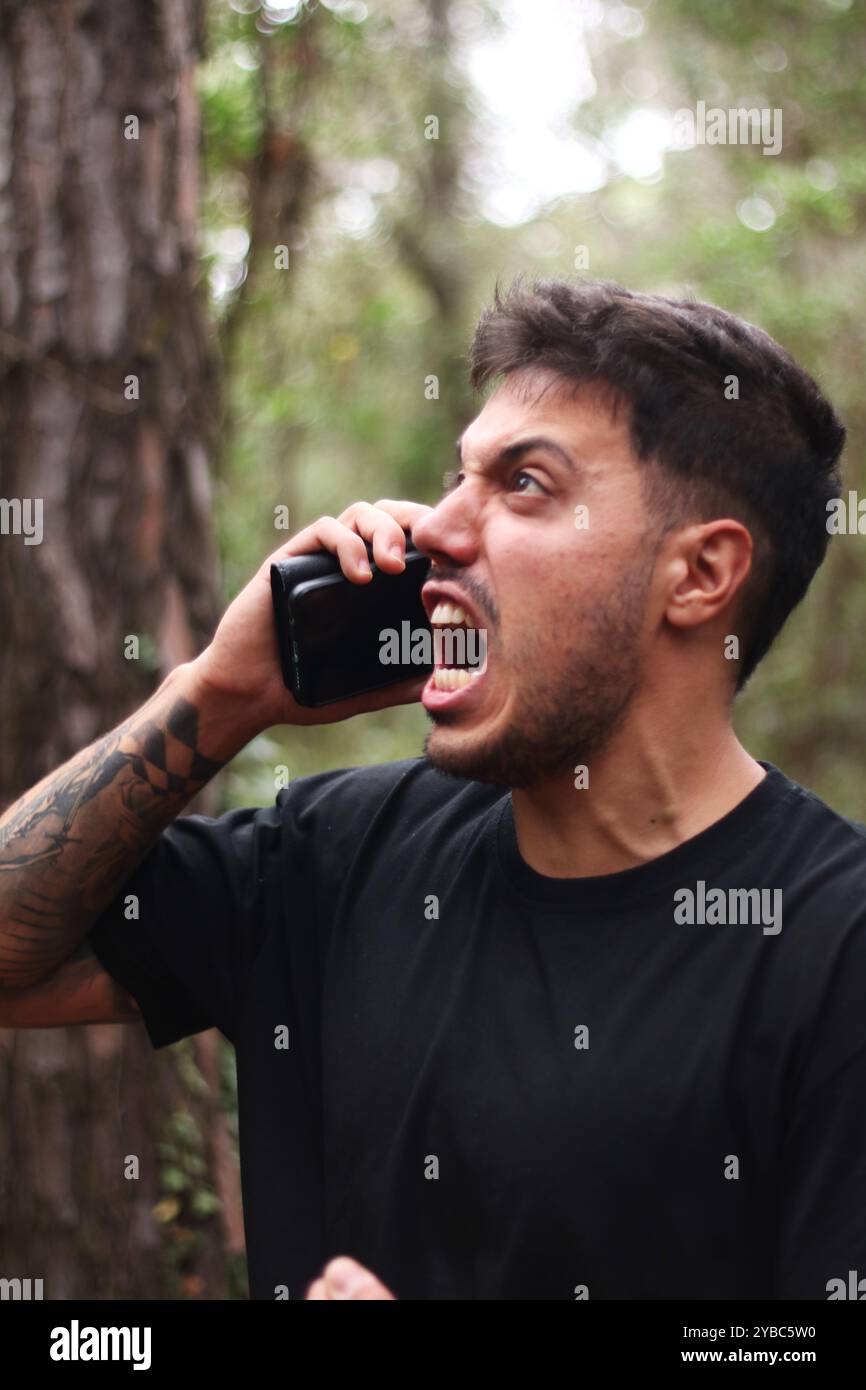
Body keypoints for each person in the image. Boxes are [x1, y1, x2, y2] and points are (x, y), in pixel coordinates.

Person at [1, 276, 864, 1302]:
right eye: (457, 478)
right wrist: (223, 694)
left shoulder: (831, 947)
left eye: (524, 484)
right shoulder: (339, 853)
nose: (438, 530)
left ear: (698, 575)